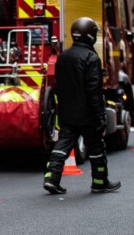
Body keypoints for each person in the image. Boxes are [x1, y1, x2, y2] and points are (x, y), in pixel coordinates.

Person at [44, 17, 120, 195]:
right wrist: (100, 115)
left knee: (62, 145)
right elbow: (94, 89)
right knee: (96, 147)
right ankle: (99, 182)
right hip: (87, 114)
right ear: (90, 35)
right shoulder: (91, 57)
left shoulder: (63, 57)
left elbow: (57, 86)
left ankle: (51, 178)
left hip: (67, 112)